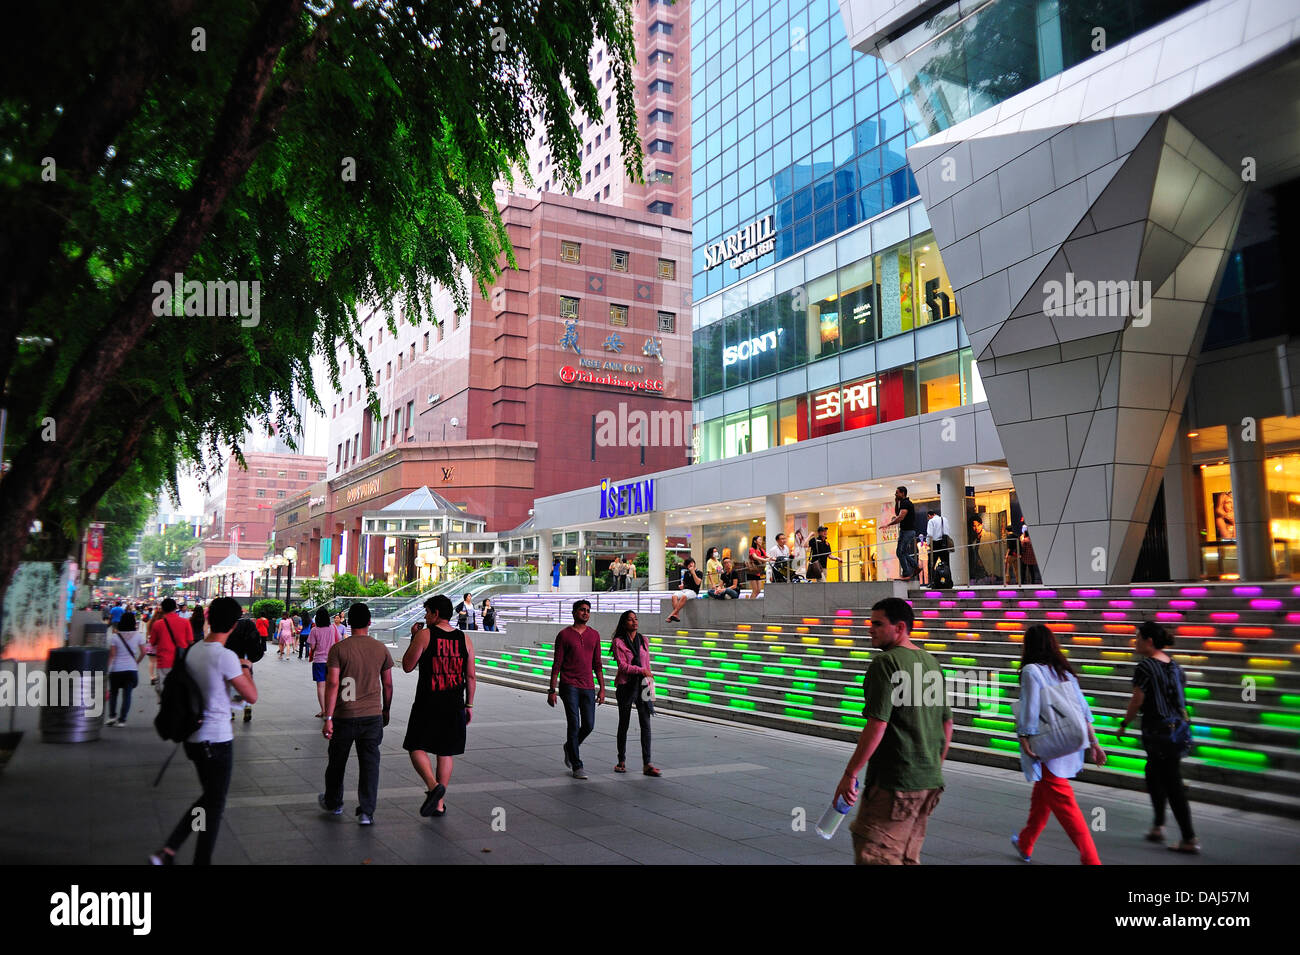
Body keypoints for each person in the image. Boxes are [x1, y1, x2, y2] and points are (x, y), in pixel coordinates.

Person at [833, 598, 952, 865]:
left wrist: (850, 773)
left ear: (899, 628)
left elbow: (878, 723)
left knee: (875, 852)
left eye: (877, 623)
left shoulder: (885, 664)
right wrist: (933, 765)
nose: (870, 629)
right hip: (928, 782)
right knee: (908, 856)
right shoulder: (931, 663)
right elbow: (947, 723)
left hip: (895, 782)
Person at [150, 596, 257, 865]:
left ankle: (170, 850)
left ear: (208, 619)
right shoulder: (226, 657)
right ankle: (187, 855)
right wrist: (245, 667)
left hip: (194, 738)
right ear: (234, 625)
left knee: (210, 799)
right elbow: (251, 696)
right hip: (217, 739)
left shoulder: (194, 650)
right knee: (214, 803)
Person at [1011, 624, 1105, 865]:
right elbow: (1083, 710)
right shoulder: (1065, 671)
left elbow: (1030, 709)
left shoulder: (1031, 671)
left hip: (1046, 745)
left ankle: (1091, 859)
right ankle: (1025, 842)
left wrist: (1023, 736)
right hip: (1069, 742)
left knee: (1065, 805)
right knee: (1042, 797)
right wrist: (1094, 742)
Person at [1119, 621, 1199, 854]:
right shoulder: (1174, 666)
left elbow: (1137, 700)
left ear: (1149, 641)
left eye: (1137, 637)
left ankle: (1188, 837)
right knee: (1153, 773)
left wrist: (1124, 723)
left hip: (1159, 732)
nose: (1135, 641)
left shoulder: (1145, 667)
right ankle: (1158, 825)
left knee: (1172, 782)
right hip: (1177, 731)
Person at [319, 603, 394, 826]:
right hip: (372, 716)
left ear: (348, 623)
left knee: (336, 762)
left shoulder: (339, 649)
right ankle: (366, 812)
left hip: (344, 716)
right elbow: (388, 684)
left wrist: (328, 717)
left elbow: (332, 684)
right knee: (370, 764)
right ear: (370, 622)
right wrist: (386, 709)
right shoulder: (381, 648)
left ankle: (334, 803)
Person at [402, 594, 475, 817]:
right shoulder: (465, 639)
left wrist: (414, 638)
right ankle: (439, 804)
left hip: (428, 702)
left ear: (435, 613)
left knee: (415, 746)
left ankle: (434, 787)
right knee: (445, 752)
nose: (425, 616)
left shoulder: (425, 635)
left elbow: (407, 665)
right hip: (454, 703)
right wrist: (469, 705)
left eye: (427, 612)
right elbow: (471, 676)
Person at [546, 600, 606, 779]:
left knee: (588, 724)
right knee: (574, 724)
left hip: (588, 685)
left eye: (588, 610)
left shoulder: (594, 635)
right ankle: (577, 765)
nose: (585, 613)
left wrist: (602, 689)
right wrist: (552, 690)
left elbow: (597, 664)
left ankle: (569, 747)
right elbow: (556, 664)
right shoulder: (564, 635)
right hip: (569, 685)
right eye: (582, 610)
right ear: (574, 613)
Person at [610, 611, 660, 776]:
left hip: (644, 685)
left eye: (636, 619)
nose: (634, 622)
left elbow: (647, 664)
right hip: (626, 685)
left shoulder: (643, 640)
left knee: (646, 724)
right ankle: (621, 760)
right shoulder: (619, 642)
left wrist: (650, 688)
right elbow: (623, 667)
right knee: (624, 723)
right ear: (624, 623)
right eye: (630, 620)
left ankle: (647, 763)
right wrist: (641, 670)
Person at [106, 611, 146, 727]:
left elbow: (112, 655)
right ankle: (122, 720)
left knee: (114, 694)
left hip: (116, 669)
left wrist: (107, 669)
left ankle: (112, 716)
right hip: (131, 669)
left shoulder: (115, 636)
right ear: (134, 622)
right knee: (127, 695)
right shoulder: (138, 636)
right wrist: (136, 663)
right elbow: (143, 652)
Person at [149, 597, 193, 699]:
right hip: (181, 662)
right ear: (175, 608)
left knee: (164, 692)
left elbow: (152, 643)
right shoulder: (185, 622)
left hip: (164, 662)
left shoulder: (157, 624)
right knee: (179, 693)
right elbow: (190, 641)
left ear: (163, 609)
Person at [225, 618, 264, 723]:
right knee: (247, 682)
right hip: (246, 661)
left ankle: (231, 710)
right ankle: (247, 706)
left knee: (231, 684)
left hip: (232, 659)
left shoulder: (231, 627)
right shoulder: (248, 626)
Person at [308, 607, 342, 717]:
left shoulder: (314, 630)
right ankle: (331, 710)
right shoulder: (333, 628)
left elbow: (312, 646)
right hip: (332, 661)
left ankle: (323, 710)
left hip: (319, 661)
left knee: (321, 687)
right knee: (331, 685)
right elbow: (339, 640)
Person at [884, 486, 918, 581]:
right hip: (904, 531)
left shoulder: (906, 503)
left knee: (900, 552)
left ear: (903, 493)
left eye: (897, 493)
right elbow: (897, 513)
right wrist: (896, 502)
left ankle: (907, 573)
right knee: (901, 552)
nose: (895, 494)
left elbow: (900, 517)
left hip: (908, 531)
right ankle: (915, 566)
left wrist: (888, 524)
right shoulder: (902, 503)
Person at [667, 557, 703, 621]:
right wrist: (682, 586)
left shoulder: (699, 572)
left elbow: (698, 583)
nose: (691, 565)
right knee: (674, 596)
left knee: (684, 596)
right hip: (685, 590)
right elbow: (684, 583)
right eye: (689, 564)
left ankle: (672, 614)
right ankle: (676, 615)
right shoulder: (686, 573)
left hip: (693, 591)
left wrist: (693, 573)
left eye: (692, 563)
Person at [923, 508, 951, 585]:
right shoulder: (944, 519)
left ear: (929, 516)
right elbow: (948, 531)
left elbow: (930, 534)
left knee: (931, 564)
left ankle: (932, 582)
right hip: (945, 543)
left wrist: (928, 544)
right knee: (946, 564)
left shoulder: (931, 521)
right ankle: (948, 581)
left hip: (935, 544)